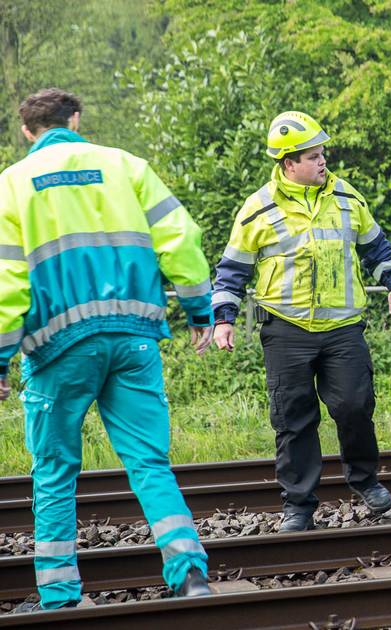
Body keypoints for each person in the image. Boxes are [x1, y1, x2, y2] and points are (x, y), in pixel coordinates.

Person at [0, 88, 213, 610]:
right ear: (76, 118)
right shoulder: (125, 166)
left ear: (29, 131)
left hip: (58, 347)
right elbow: (179, 239)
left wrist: (0, 358)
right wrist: (200, 309)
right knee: (148, 462)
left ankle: (59, 595)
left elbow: (8, 282)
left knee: (54, 471)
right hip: (134, 338)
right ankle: (190, 575)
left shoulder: (12, 185)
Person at [212, 111, 391, 533]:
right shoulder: (258, 208)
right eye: (313, 156)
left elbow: (376, 247)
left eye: (322, 155)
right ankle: (298, 506)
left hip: (342, 328)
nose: (322, 162)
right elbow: (231, 270)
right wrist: (223, 319)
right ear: (289, 164)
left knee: (355, 406)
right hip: (285, 329)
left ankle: (365, 480)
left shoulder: (346, 197)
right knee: (293, 419)